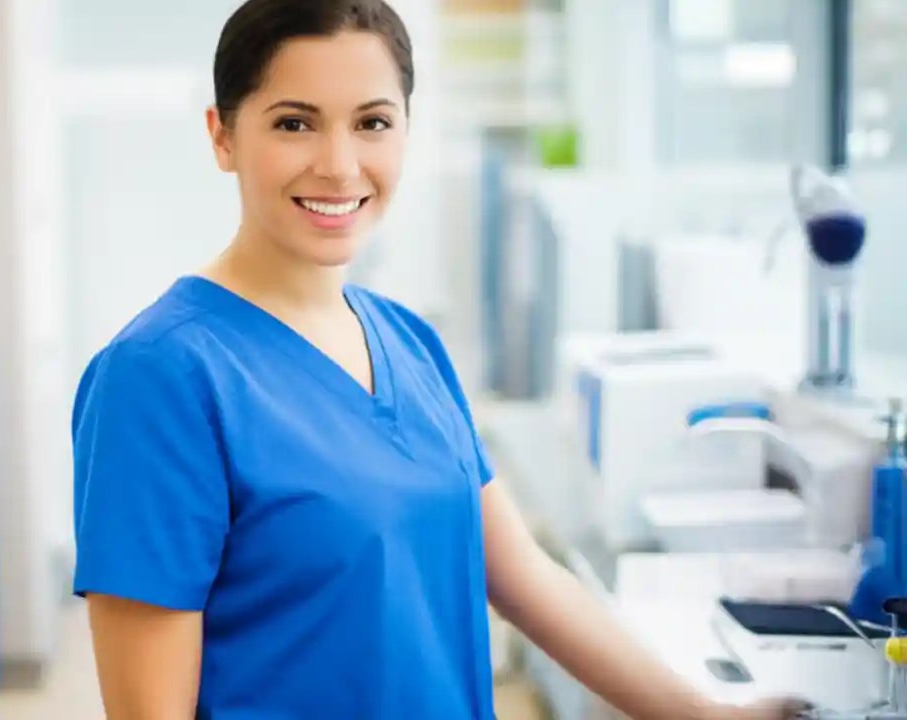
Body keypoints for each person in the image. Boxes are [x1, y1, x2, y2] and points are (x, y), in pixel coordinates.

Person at [70, 1, 812, 718]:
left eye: (372, 123)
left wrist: (698, 715)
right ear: (222, 136)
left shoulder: (409, 342)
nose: (339, 164)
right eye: (294, 123)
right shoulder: (160, 377)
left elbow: (519, 575)